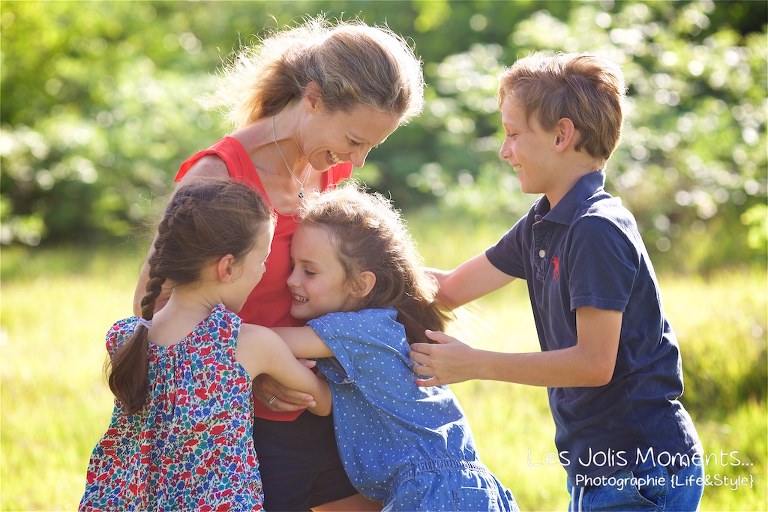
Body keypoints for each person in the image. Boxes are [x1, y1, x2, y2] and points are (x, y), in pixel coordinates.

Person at [132, 16, 424, 511]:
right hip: (244, 429)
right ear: (312, 99)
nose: (358, 158)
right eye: (354, 139)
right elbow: (154, 307)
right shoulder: (218, 176)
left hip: (332, 404)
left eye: (373, 145)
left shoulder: (327, 166)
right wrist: (258, 369)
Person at [409, 52, 704, 511]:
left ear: (562, 135)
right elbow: (447, 290)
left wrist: (475, 363)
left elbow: (592, 364)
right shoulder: (543, 223)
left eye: (513, 134)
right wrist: (357, 275)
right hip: (597, 469)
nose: (504, 151)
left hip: (641, 472)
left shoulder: (595, 228)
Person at [81, 179, 331, 510]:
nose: (264, 271)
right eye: (262, 260)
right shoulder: (246, 344)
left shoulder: (124, 336)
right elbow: (322, 400)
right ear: (227, 267)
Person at [271, 185, 518, 511]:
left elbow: (267, 342)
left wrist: (198, 316)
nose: (291, 280)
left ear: (361, 284)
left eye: (309, 271)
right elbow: (328, 402)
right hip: (463, 491)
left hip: (435, 493)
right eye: (292, 266)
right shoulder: (380, 331)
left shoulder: (361, 327)